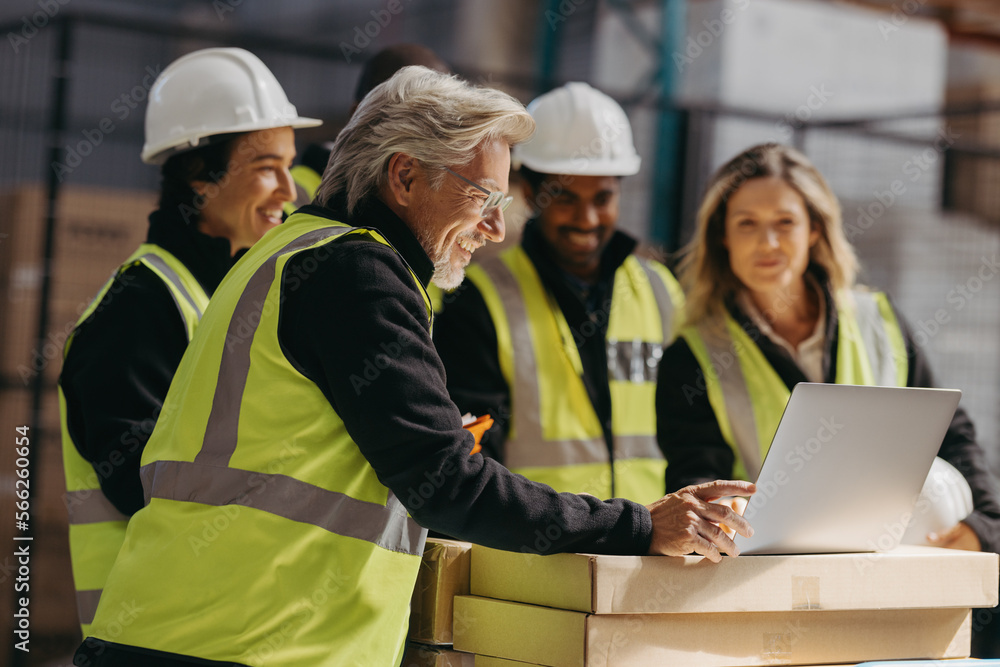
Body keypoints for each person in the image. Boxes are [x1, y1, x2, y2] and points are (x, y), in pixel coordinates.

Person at [75, 67, 754, 667]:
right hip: (241, 646)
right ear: (404, 176)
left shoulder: (296, 252)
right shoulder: (356, 270)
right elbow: (446, 484)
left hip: (209, 640)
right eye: (483, 198)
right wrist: (638, 523)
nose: (495, 228)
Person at [654, 142, 1000, 655]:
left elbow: (954, 433)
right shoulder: (694, 356)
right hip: (773, 591)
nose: (767, 241)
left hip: (894, 572)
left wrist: (986, 522)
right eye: (746, 223)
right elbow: (696, 483)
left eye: (785, 222)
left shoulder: (879, 319)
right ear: (722, 237)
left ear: (814, 229)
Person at [58, 47, 319, 637]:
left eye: (289, 165)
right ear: (201, 177)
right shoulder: (137, 310)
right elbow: (145, 486)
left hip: (220, 628)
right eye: (265, 166)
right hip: (158, 635)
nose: (288, 189)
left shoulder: (227, 294)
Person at [434, 82, 684, 505]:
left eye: (602, 198)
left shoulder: (660, 289)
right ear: (530, 193)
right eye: (566, 198)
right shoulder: (479, 298)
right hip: (538, 553)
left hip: (652, 545)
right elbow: (475, 455)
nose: (586, 219)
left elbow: (689, 429)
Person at [284, 42, 451, 215]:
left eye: (440, 127)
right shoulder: (285, 201)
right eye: (410, 121)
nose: (426, 139)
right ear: (359, 116)